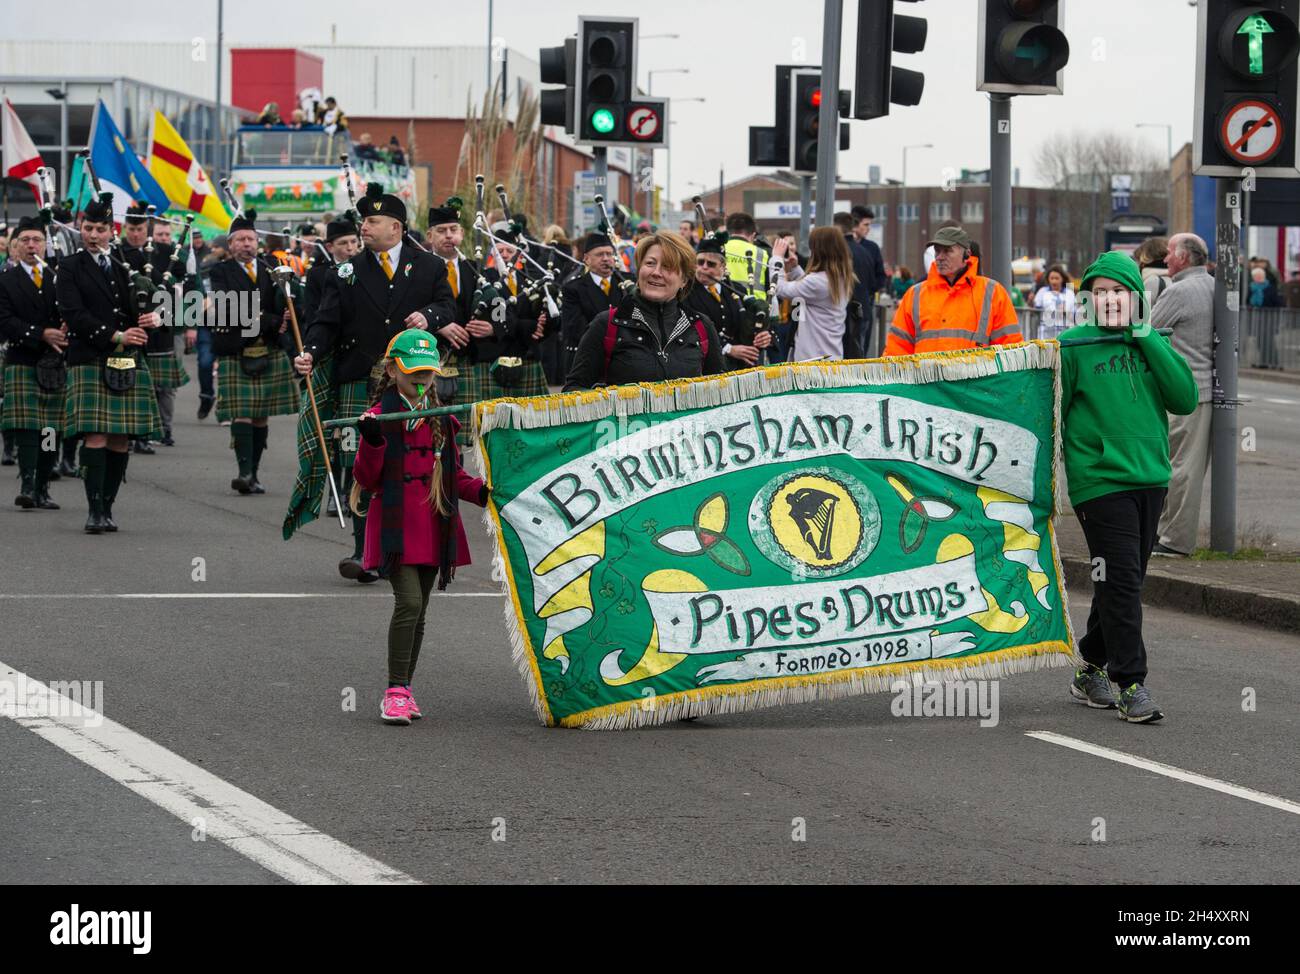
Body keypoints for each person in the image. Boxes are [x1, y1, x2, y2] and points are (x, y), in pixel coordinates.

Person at [1059, 251, 1197, 723]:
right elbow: (1052, 417)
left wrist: (1145, 337)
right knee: (1120, 581)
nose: (1110, 300)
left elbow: (1185, 399)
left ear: (1135, 296)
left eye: (1118, 292)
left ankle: (1089, 666)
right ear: (1088, 300)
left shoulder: (1152, 340)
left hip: (1150, 476)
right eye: (1099, 293)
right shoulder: (1072, 347)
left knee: (1122, 580)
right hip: (1098, 483)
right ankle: (1131, 684)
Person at [296, 183, 458, 583]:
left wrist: (429, 317)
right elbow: (326, 321)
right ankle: (362, 551)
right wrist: (311, 352)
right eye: (364, 221)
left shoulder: (429, 267)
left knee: (411, 460)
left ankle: (405, 546)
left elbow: (447, 306)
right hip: (359, 379)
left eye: (372, 221)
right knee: (361, 463)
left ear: (396, 228)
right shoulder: (346, 271)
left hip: (411, 378)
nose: (363, 227)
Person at [351, 330, 489, 725]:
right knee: (408, 602)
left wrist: (483, 492)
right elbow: (366, 477)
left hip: (434, 521)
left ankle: (405, 690)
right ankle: (394, 690)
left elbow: (454, 475)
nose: (421, 378)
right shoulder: (378, 416)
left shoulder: (442, 418)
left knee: (422, 610)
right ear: (393, 369)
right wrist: (372, 442)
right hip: (395, 524)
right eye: (413, 371)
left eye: (428, 372)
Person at [55, 193, 163, 533]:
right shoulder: (70, 266)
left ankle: (108, 506)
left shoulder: (124, 264)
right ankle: (93, 509)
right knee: (97, 436)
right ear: (80, 228)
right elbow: (73, 314)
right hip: (90, 356)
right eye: (88, 228)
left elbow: (152, 301)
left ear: (110, 231)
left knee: (120, 438)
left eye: (100, 229)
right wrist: (117, 336)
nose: (93, 235)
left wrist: (155, 316)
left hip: (127, 360)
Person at [207, 209, 301, 495]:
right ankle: (244, 471)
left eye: (251, 239)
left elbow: (286, 302)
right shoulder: (220, 271)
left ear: (257, 242)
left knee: (261, 416)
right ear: (231, 244)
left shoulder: (273, 267)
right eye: (240, 239)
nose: (246, 244)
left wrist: (287, 310)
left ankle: (254, 474)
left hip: (269, 349)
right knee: (242, 413)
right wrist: (272, 320)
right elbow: (228, 309)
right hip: (236, 349)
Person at [565, 230, 725, 390]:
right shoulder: (607, 324)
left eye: (668, 267)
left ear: (684, 280)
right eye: (650, 263)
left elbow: (721, 392)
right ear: (639, 270)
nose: (656, 273)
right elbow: (574, 389)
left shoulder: (701, 326)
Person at [1148, 233, 1215, 556]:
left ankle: (1174, 541)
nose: (1166, 259)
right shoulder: (1215, 286)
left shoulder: (1179, 291)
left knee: (1178, 468)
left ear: (1184, 258)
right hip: (1206, 389)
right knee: (1188, 466)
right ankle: (1169, 535)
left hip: (1183, 390)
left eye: (1171, 253)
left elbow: (1148, 333)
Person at [0, 215, 65, 510]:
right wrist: (40, 334)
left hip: (54, 362)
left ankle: (42, 486)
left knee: (51, 428)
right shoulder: (5, 280)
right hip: (22, 358)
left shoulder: (58, 277)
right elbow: (4, 320)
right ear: (15, 246)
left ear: (45, 244)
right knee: (27, 428)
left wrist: (64, 330)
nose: (31, 245)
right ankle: (27, 483)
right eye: (24, 240)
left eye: (36, 239)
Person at [885, 225, 1022, 356]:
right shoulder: (915, 295)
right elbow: (896, 349)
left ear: (966, 255)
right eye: (937, 251)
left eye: (947, 251)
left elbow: (1010, 350)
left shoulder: (992, 292)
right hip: (928, 380)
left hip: (974, 380)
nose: (940, 257)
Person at [119, 203, 191, 450]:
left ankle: (160, 429)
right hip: (129, 328)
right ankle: (135, 434)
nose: (135, 234)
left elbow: (180, 285)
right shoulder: (118, 253)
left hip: (160, 328)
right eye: (131, 229)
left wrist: (168, 317)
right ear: (125, 228)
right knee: (135, 384)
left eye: (139, 229)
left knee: (162, 386)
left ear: (146, 229)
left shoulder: (164, 251)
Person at [683, 231, 772, 370]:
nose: (704, 267)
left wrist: (763, 334)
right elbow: (690, 329)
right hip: (705, 365)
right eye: (700, 262)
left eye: (711, 264)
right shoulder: (687, 291)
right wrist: (727, 348)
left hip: (737, 366)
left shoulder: (735, 289)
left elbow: (745, 324)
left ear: (723, 268)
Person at [772, 227, 855, 362]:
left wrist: (776, 259)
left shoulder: (818, 281)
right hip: (830, 354)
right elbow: (810, 291)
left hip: (812, 359)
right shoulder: (840, 277)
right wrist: (795, 268)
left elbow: (780, 289)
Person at [560, 232, 621, 378]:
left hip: (622, 358)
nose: (606, 259)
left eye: (609, 254)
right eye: (600, 254)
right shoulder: (573, 288)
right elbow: (574, 327)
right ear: (587, 259)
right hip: (588, 360)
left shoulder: (626, 283)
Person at [722, 212, 769, 300]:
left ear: (728, 232)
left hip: (725, 303)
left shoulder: (719, 249)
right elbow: (770, 287)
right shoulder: (762, 253)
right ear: (753, 235)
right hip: (755, 307)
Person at [1032, 264, 1077, 340]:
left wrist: (1066, 311)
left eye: (1057, 278)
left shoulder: (1069, 293)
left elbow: (1075, 312)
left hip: (1064, 333)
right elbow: (1036, 310)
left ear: (1062, 279)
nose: (1054, 281)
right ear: (1048, 279)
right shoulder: (1042, 292)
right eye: (1052, 278)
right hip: (1046, 333)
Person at [1133, 236, 1170, 309]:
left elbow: (1140, 316)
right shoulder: (1176, 278)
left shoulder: (1152, 281)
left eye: (1138, 261)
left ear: (1145, 260)